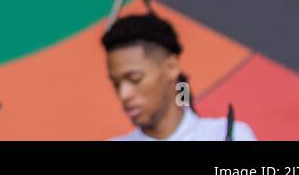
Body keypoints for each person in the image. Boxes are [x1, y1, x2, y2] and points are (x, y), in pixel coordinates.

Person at [103, 13, 256, 141]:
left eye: (135, 79)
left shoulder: (225, 135)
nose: (124, 94)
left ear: (171, 67)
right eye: (116, 84)